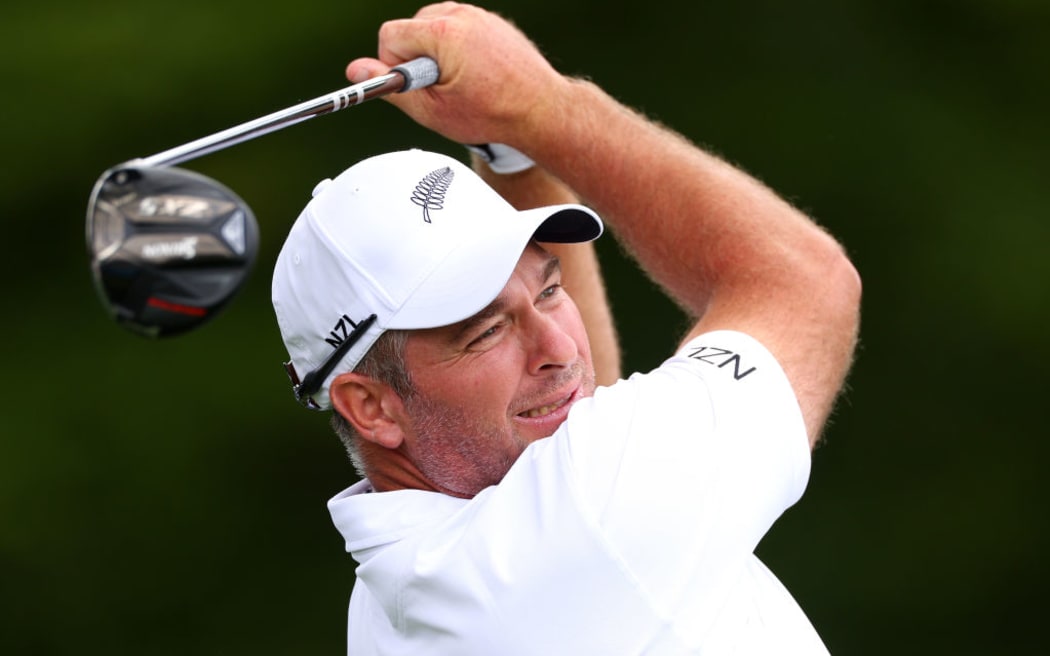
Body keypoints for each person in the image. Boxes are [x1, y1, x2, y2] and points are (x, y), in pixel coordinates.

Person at [270, 3, 861, 654]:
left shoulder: (405, 583)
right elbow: (806, 282)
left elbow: (580, 431)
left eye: (549, 291)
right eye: (486, 333)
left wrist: (507, 151)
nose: (557, 351)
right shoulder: (571, 538)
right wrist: (537, 106)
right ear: (371, 406)